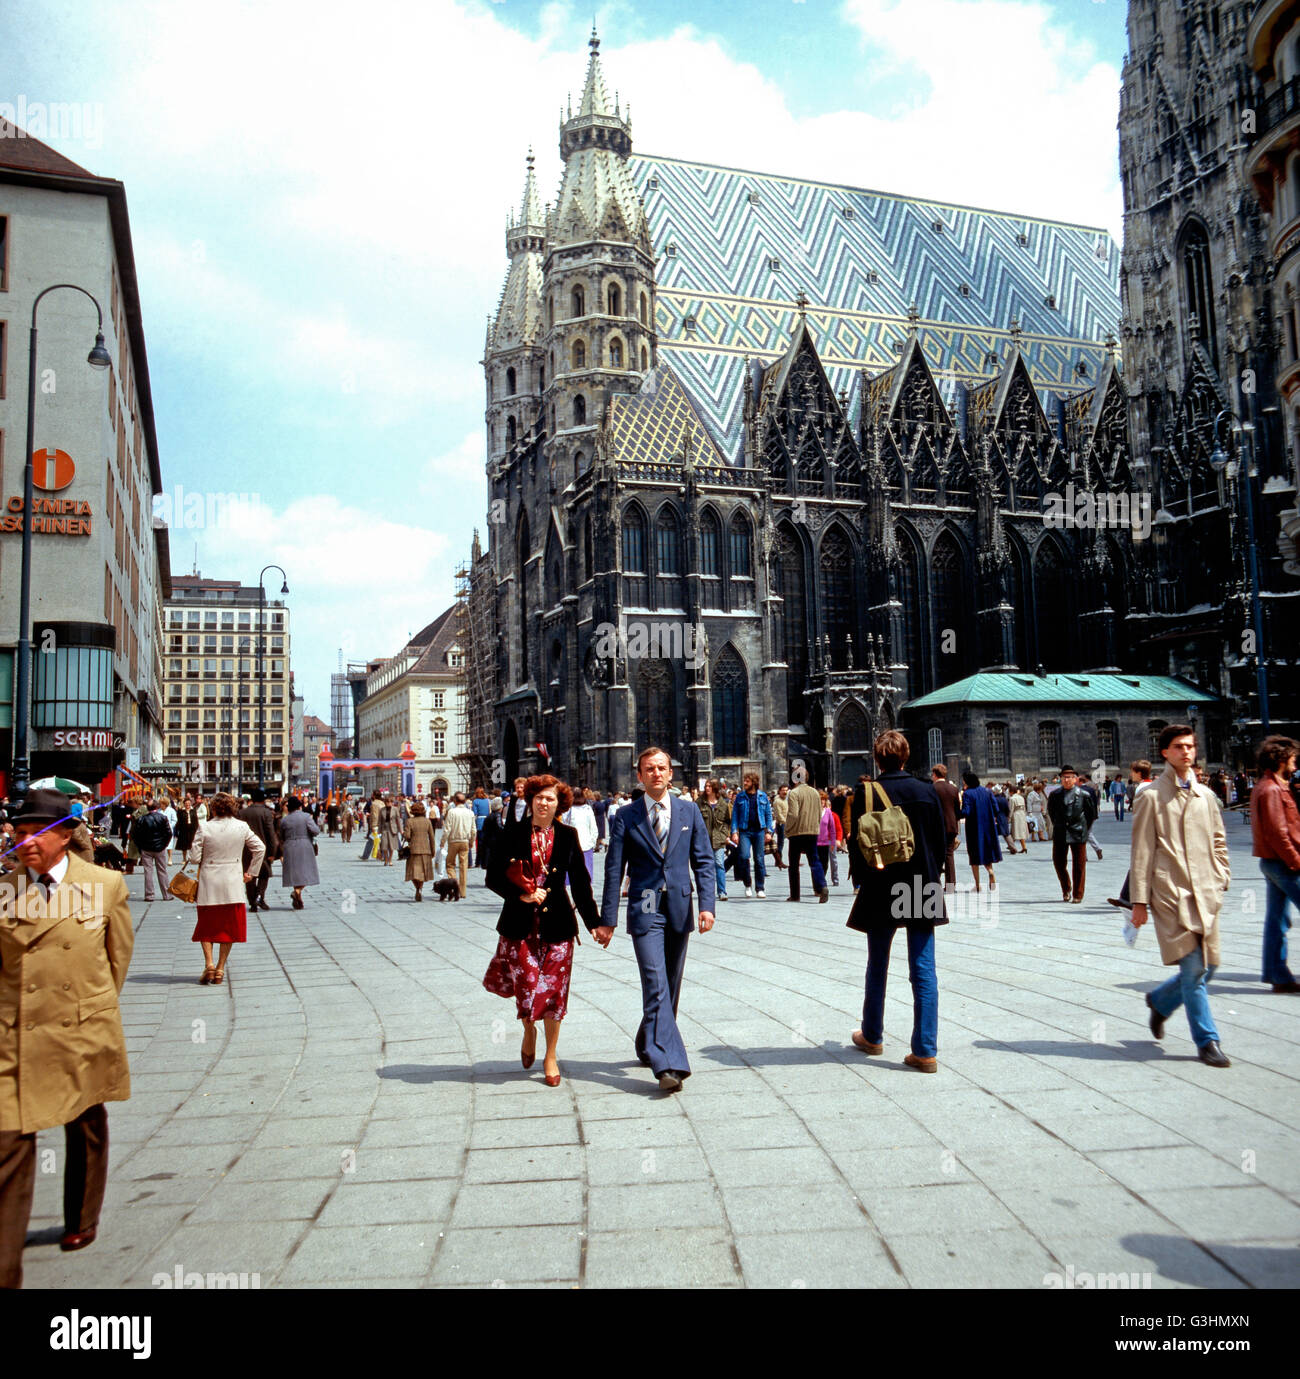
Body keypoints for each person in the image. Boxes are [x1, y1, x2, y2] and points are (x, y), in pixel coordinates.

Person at [0, 789, 135, 1287]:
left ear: (63, 835)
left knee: (84, 1122)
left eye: (33, 833)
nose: (23, 842)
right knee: (8, 1142)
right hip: (17, 1036)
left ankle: (82, 1217)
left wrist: (90, 1009)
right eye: (17, 833)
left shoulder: (104, 886)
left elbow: (115, 961)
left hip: (80, 1029)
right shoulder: (4, 889)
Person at [598, 746, 716, 1094]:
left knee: (671, 983)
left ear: (671, 773)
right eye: (649, 769)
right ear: (640, 775)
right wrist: (608, 919)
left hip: (679, 906)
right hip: (645, 907)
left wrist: (707, 905)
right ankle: (668, 1063)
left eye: (662, 768)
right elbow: (614, 869)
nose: (656, 774)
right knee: (655, 980)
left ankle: (646, 1041)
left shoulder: (688, 811)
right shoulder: (626, 816)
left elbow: (705, 862)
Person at [485, 776, 602, 1086]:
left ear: (558, 803)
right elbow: (493, 877)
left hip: (558, 926)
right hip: (519, 927)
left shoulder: (567, 835)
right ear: (531, 800)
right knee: (527, 988)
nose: (543, 802)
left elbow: (580, 883)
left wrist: (595, 924)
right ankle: (528, 1029)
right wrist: (520, 894)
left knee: (554, 994)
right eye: (538, 797)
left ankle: (550, 1055)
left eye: (550, 798)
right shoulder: (512, 833)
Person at [1131, 725, 1231, 1068]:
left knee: (1211, 964)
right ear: (1165, 753)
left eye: (1190, 746)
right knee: (1193, 968)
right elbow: (1141, 851)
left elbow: (1219, 840)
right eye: (1178, 747)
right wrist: (1139, 902)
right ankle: (1207, 1040)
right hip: (1171, 893)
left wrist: (1222, 875)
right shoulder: (1151, 796)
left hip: (1206, 891)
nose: (1186, 752)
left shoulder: (1205, 796)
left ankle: (1160, 1001)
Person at [846, 733, 946, 1072]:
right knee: (923, 967)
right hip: (921, 883)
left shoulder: (866, 792)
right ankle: (925, 1050)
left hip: (881, 884)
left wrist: (860, 881)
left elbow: (856, 841)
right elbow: (939, 838)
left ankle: (872, 1035)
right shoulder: (926, 790)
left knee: (878, 963)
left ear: (877, 759)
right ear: (905, 757)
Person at [187, 793, 265, 986]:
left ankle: (209, 964)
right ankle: (221, 968)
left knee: (206, 924)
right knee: (228, 927)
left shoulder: (204, 827)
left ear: (213, 808)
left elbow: (195, 858)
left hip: (209, 881)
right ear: (233, 808)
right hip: (233, 881)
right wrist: (251, 872)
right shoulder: (241, 826)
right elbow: (260, 848)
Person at [1250, 735, 1300, 993]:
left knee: (1277, 921)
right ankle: (1277, 974)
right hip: (1283, 863)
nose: (1295, 762)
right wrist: (1296, 860)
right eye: (1292, 757)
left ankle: (1277, 975)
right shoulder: (1271, 789)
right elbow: (1278, 832)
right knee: (1277, 921)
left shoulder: (1271, 785)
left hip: (1273, 862)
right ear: (1282, 759)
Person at [1107, 761, 1156, 911]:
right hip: (1152, 831)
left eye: (1132, 772)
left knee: (1140, 865)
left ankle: (1129, 899)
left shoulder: (1142, 787)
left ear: (1139, 773)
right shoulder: (1154, 785)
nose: (1130, 774)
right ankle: (1128, 898)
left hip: (1148, 833)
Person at [1046, 765, 1096, 903]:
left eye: (1070, 777)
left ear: (1075, 779)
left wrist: (1083, 828)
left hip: (1078, 832)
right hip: (1061, 832)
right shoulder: (1055, 795)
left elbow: (1091, 815)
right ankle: (1066, 889)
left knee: (1079, 865)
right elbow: (1051, 812)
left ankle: (1078, 894)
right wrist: (1059, 824)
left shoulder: (1084, 795)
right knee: (1058, 863)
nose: (1067, 780)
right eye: (1064, 777)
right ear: (1060, 779)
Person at [784, 775, 828, 903]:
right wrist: (816, 826)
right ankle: (822, 886)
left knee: (793, 864)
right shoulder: (815, 792)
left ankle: (795, 894)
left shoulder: (794, 793)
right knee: (814, 861)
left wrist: (787, 828)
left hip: (797, 832)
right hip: (812, 831)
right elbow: (819, 811)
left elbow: (793, 814)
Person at [730, 773, 773, 898]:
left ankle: (760, 888)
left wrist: (769, 832)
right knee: (743, 857)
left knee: (759, 860)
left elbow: (768, 815)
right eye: (744, 781)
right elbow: (735, 815)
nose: (744, 783)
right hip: (745, 831)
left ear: (753, 782)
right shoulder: (740, 797)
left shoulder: (762, 796)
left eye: (747, 781)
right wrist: (734, 832)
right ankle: (747, 884)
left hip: (759, 831)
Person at [959, 772, 1001, 892]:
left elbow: (966, 811)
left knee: (974, 855)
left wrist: (957, 813)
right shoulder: (987, 791)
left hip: (974, 827)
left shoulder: (967, 794)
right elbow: (996, 808)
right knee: (987, 852)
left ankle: (977, 885)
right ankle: (990, 871)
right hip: (988, 826)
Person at [277, 796, 320, 910]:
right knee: (307, 871)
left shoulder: (284, 820)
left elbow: (281, 835)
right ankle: (298, 890)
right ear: (300, 806)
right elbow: (316, 831)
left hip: (289, 846)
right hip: (304, 845)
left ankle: (299, 900)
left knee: (295, 874)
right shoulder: (306, 817)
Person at [239, 789, 278, 911]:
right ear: (263, 799)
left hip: (246, 849)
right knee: (264, 874)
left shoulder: (242, 813)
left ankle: (252, 902)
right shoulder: (266, 813)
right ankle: (259, 895)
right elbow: (271, 834)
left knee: (249, 875)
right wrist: (272, 852)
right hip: (263, 849)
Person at [130, 797, 172, 902]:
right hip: (160, 848)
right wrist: (164, 845)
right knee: (162, 871)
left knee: (148, 871)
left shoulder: (141, 819)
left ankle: (149, 895)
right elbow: (168, 833)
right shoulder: (163, 818)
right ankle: (166, 894)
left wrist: (141, 846)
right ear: (157, 807)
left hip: (146, 848)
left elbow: (135, 834)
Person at [698, 779, 732, 903]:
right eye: (706, 786)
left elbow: (727, 821)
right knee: (706, 867)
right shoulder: (699, 803)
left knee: (719, 864)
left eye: (709, 786)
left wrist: (724, 835)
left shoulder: (723, 804)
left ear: (715, 788)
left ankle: (722, 891)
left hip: (718, 839)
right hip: (704, 839)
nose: (707, 788)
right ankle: (707, 892)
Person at [930, 766, 961, 889]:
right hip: (951, 826)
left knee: (935, 855)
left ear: (935, 774)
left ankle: (935, 882)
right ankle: (951, 885)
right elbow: (957, 811)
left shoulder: (932, 789)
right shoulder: (953, 789)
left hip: (936, 827)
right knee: (949, 855)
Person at [403, 800, 437, 901]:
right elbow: (431, 837)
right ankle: (420, 888)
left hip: (413, 850)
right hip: (425, 849)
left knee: (413, 872)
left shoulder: (410, 821)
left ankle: (417, 888)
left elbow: (407, 836)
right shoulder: (427, 821)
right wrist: (433, 850)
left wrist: (405, 835)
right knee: (422, 872)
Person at [443, 792, 476, 898]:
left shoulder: (451, 812)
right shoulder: (470, 812)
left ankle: (454, 881)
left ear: (455, 801)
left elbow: (447, 829)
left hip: (453, 841)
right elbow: (473, 830)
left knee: (450, 864)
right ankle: (463, 892)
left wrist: (442, 842)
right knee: (463, 866)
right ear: (465, 801)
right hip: (465, 841)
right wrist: (471, 842)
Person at [563, 789, 599, 879]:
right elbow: (594, 828)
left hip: (577, 845)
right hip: (584, 845)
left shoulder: (584, 809)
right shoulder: (586, 809)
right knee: (584, 875)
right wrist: (592, 843)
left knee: (574, 876)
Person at [817, 788, 844, 886]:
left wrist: (837, 840)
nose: (822, 803)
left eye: (824, 801)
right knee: (818, 862)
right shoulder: (813, 812)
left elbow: (837, 829)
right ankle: (820, 881)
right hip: (817, 841)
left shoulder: (833, 815)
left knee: (833, 860)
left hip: (828, 840)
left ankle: (835, 879)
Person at [471, 787, 492, 868]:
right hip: (487, 821)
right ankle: (486, 860)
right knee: (487, 843)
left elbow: (475, 813)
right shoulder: (488, 800)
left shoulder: (475, 801)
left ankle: (478, 862)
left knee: (480, 844)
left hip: (480, 822)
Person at [379, 797, 401, 866]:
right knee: (384, 845)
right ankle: (386, 859)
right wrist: (378, 830)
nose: (389, 803)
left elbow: (398, 820)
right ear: (385, 803)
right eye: (387, 802)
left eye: (390, 802)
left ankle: (390, 860)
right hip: (384, 828)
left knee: (392, 846)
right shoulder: (382, 810)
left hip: (393, 829)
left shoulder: (395, 809)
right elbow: (380, 821)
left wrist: (401, 830)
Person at [771, 784, 789, 870]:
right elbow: (778, 814)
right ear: (779, 791)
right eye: (783, 790)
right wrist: (786, 823)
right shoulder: (777, 801)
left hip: (787, 823)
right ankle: (779, 861)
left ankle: (779, 861)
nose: (785, 792)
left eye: (786, 790)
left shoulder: (786, 800)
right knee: (780, 843)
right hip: (782, 824)